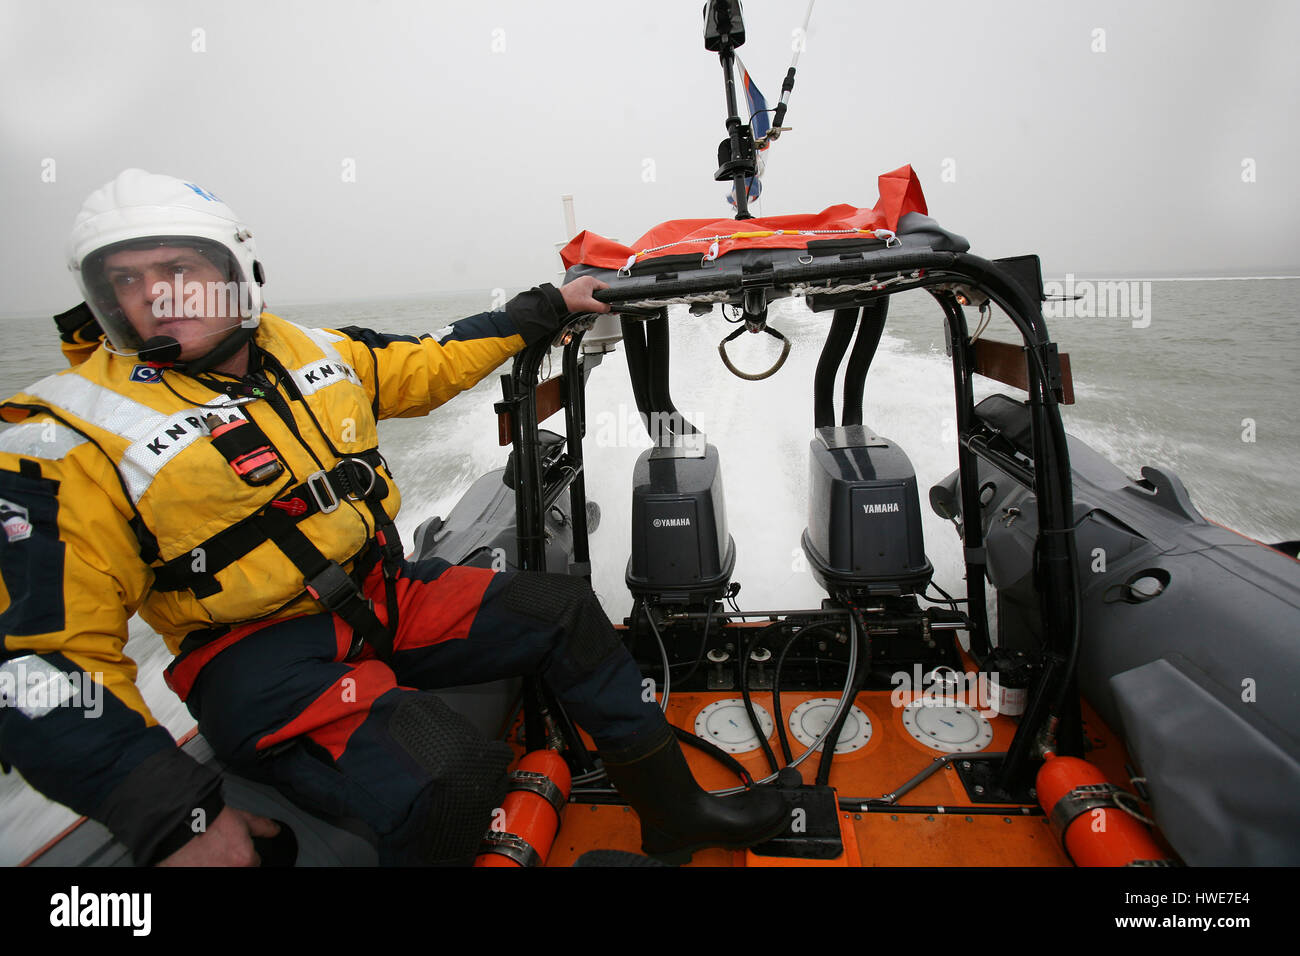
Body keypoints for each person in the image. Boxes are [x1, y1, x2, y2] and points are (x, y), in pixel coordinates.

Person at [0, 169, 789, 866]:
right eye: (128, 280)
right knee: (447, 775)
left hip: (385, 593)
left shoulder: (311, 349)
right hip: (256, 657)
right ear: (105, 301)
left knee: (564, 611)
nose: (157, 295)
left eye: (179, 267)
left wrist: (554, 302)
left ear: (237, 273)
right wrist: (173, 817)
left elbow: (431, 360)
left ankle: (676, 816)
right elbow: (36, 664)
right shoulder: (62, 435)